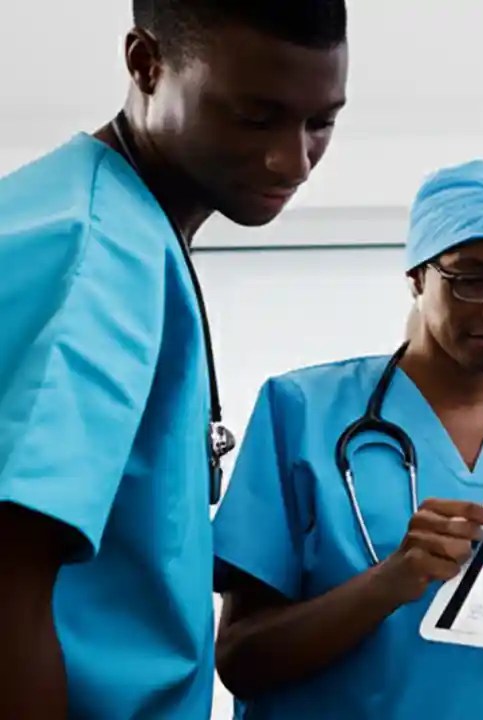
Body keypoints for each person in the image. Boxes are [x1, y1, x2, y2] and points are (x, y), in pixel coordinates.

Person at [0, 1, 348, 717]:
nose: (294, 159)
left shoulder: (117, 225)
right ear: (145, 64)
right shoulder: (93, 252)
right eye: (255, 116)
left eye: (321, 122)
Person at [211, 159, 483, 719]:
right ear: (418, 275)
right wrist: (394, 580)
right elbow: (240, 659)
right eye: (471, 278)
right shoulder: (303, 411)